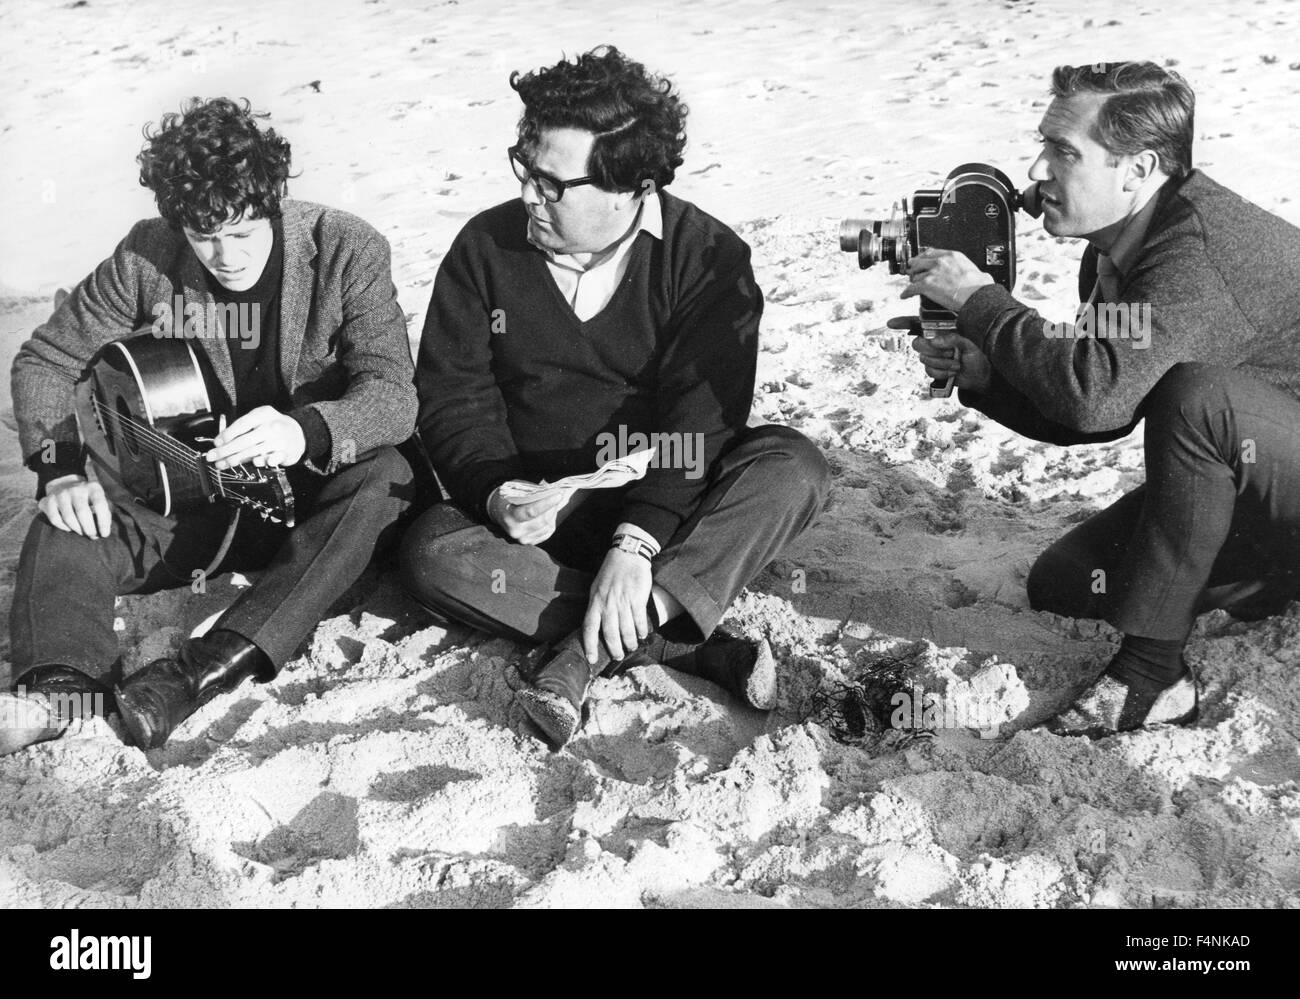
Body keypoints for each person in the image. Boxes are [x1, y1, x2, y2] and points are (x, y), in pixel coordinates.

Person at [400, 46, 829, 748]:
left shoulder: (706, 259)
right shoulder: (484, 249)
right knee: (429, 553)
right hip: (537, 525)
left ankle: (582, 653)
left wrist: (637, 541)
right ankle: (681, 639)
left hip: (669, 515)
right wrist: (498, 491)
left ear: (632, 185)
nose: (529, 195)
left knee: (794, 468)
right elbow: (453, 400)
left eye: (551, 182)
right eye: (523, 168)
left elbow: (703, 425)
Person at [2, 97, 417, 755]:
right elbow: (48, 358)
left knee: (388, 478)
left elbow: (393, 394)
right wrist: (58, 468)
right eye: (204, 235)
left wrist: (304, 429)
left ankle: (206, 665)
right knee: (63, 520)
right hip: (187, 498)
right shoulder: (149, 253)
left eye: (244, 232)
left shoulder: (345, 248)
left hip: (310, 507)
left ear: (273, 199)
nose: (226, 255)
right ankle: (60, 688)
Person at [903, 62, 1300, 736]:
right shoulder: (1114, 249)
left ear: (1138, 169)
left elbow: (1095, 396)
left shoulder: (1195, 252)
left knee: (1198, 398)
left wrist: (980, 301)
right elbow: (1100, 406)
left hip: (1275, 463)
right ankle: (1274, 582)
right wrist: (984, 375)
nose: (1036, 170)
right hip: (1266, 486)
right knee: (1067, 579)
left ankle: (1153, 673)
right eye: (1042, 145)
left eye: (1064, 151)